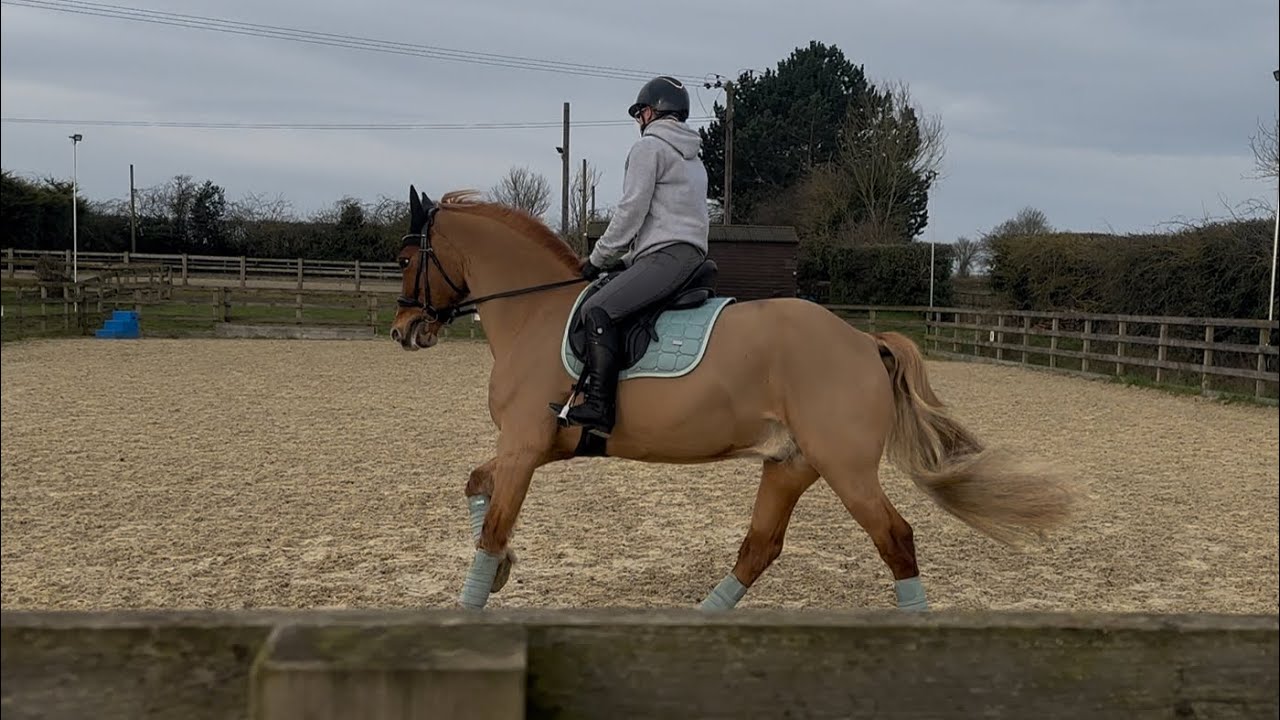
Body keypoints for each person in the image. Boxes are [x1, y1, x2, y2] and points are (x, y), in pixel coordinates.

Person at [554, 75, 710, 438]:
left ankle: (599, 408)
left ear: (652, 111)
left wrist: (599, 258)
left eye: (640, 112)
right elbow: (670, 219)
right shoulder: (694, 159)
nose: (639, 120)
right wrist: (629, 261)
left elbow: (630, 213)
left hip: (667, 256)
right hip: (687, 254)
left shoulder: (649, 148)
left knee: (598, 311)